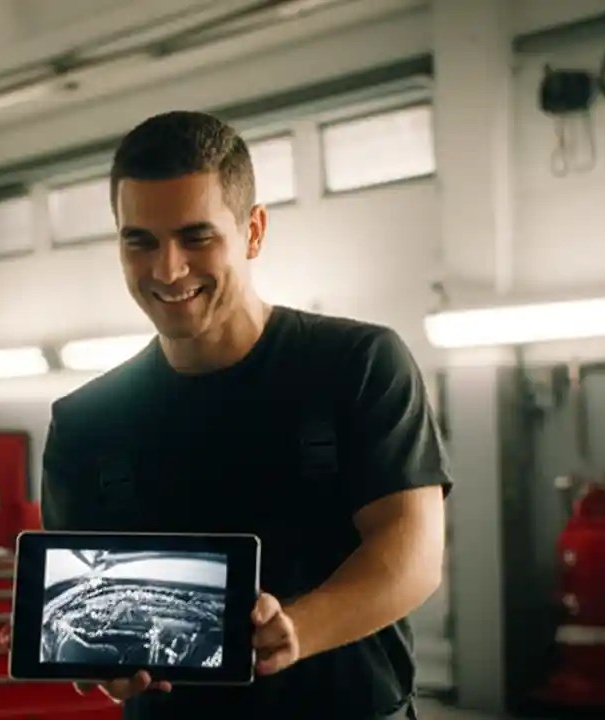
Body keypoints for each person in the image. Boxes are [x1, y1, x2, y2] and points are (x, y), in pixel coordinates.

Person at [34, 111, 452, 719]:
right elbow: (84, 602)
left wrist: (297, 629)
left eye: (196, 237)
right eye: (140, 241)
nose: (168, 269)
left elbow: (412, 554)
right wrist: (88, 657)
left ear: (253, 232)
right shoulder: (86, 422)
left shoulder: (356, 365)